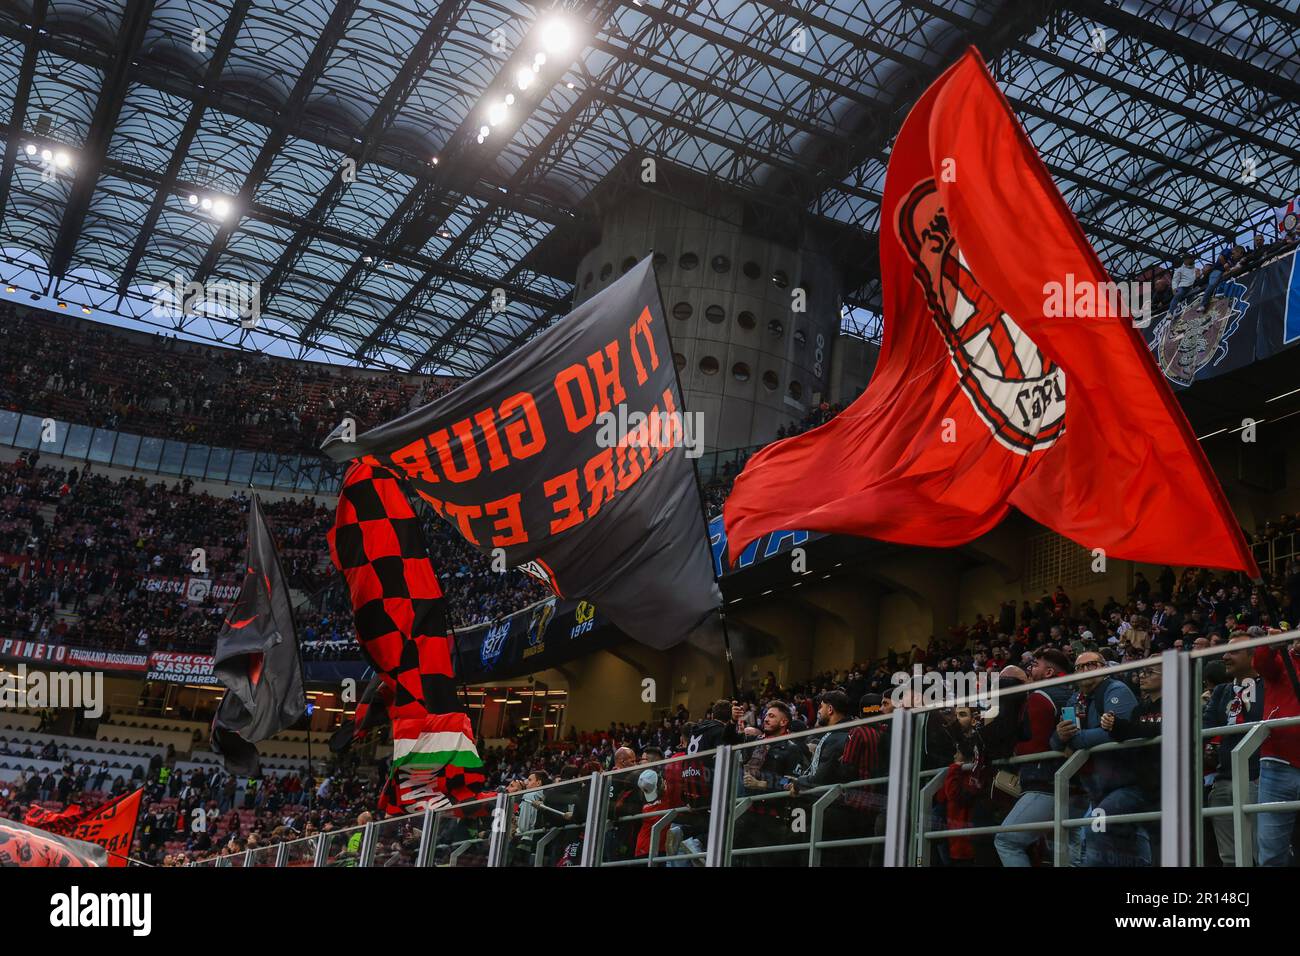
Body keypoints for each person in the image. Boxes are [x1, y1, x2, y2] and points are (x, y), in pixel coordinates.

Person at [1051, 650, 1148, 866]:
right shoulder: (1076, 697)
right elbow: (1054, 740)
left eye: (1091, 665)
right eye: (1080, 667)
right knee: (1128, 838)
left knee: (1096, 828)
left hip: (1128, 782)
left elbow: (1114, 733)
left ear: (1104, 668)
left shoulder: (1116, 690)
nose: (1085, 671)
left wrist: (1073, 741)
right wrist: (1060, 736)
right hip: (1098, 785)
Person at [995, 648, 1080, 866]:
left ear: (1049, 672)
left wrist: (1012, 752)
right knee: (1068, 853)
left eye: (1035, 665)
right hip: (1077, 783)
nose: (1030, 669)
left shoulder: (1040, 696)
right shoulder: (1074, 694)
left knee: (1007, 841)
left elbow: (1032, 747)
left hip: (1045, 783)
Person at [1203, 632, 1264, 866]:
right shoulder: (1221, 691)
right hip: (1223, 779)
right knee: (1229, 857)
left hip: (1258, 778)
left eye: (1234, 652)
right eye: (1225, 651)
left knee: (1263, 852)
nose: (1225, 656)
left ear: (1253, 655)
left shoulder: (1270, 686)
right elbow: (1206, 727)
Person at [784, 690, 860, 864]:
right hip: (823, 806)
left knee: (813, 856)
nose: (819, 710)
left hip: (828, 809)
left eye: (821, 706)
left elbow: (821, 777)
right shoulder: (836, 734)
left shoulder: (838, 737)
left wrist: (798, 783)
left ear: (830, 709)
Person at [1253, 633, 1300, 866]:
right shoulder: (1282, 658)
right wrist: (1269, 645)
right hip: (1278, 762)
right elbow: (1260, 663)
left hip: (1280, 763)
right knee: (1272, 851)